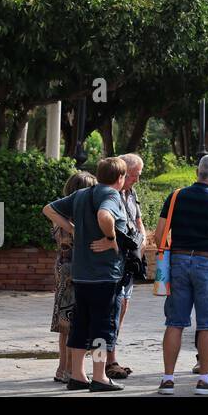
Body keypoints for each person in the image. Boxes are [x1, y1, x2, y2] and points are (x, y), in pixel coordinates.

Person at [42, 156, 130, 393]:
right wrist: (110, 239)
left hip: (81, 274)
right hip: (104, 274)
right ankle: (100, 376)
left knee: (80, 325)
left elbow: (48, 209)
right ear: (120, 178)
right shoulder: (110, 195)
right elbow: (105, 216)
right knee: (103, 329)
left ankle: (78, 375)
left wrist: (74, 229)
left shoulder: (81, 195)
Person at [154, 153, 208, 395]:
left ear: (197, 172)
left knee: (175, 322)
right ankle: (204, 379)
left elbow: (159, 235)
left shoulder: (176, 196)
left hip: (179, 261)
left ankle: (168, 379)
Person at [48, 170, 96, 384]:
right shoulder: (73, 218)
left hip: (63, 268)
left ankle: (64, 368)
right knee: (73, 322)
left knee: (66, 322)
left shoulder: (60, 214)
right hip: (75, 271)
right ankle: (69, 369)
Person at [106, 153, 147, 381]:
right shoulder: (110, 196)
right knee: (111, 312)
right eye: (134, 176)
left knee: (121, 309)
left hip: (130, 261)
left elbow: (138, 222)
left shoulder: (131, 193)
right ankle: (108, 361)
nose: (136, 180)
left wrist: (141, 240)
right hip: (115, 262)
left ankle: (111, 356)